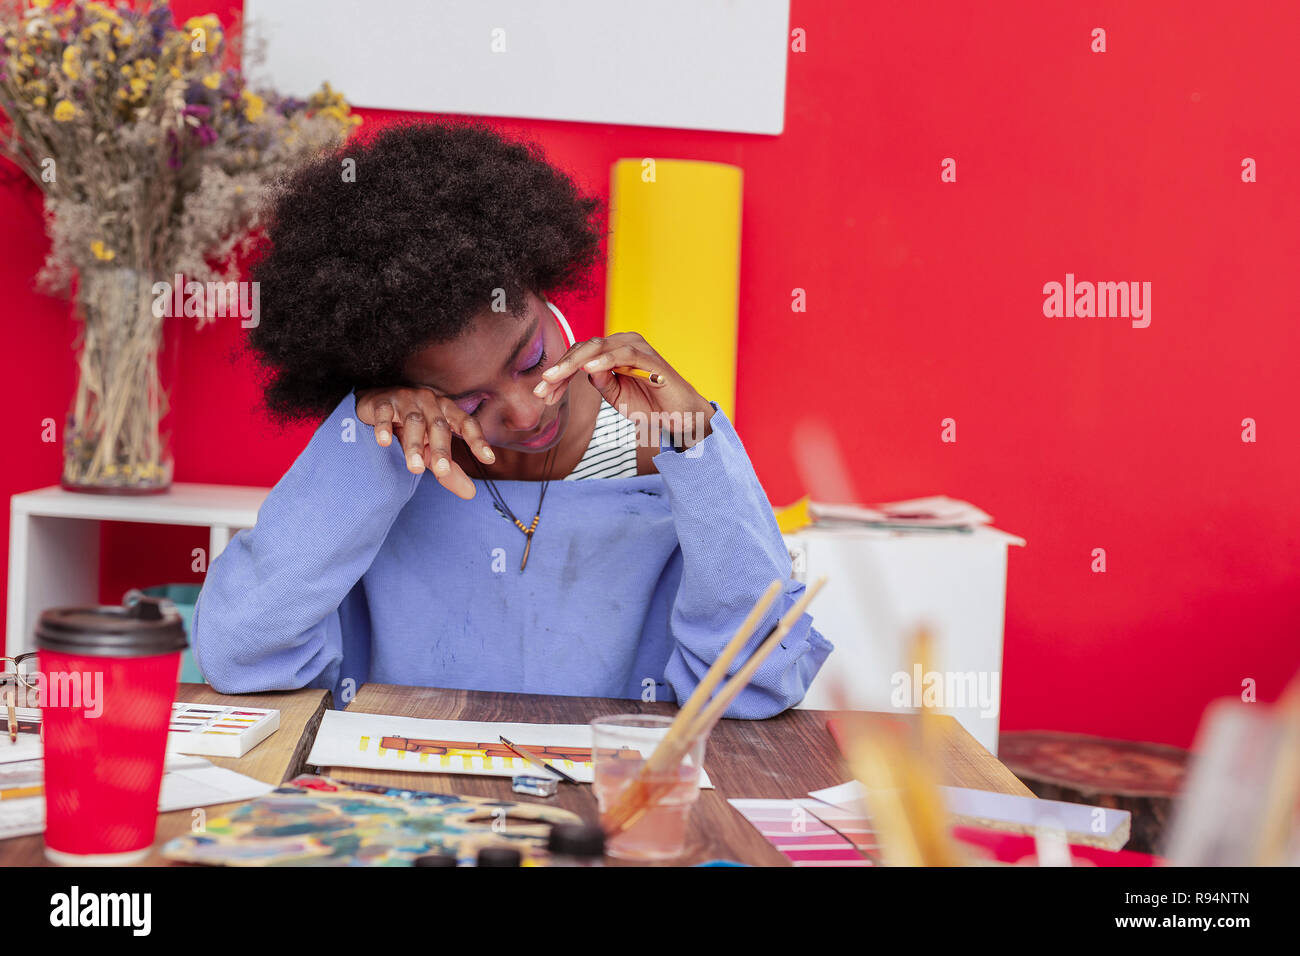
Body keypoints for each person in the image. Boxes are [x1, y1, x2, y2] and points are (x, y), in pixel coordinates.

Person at [192, 119, 832, 717]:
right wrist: (365, 441)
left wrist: (699, 449)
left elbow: (759, 682)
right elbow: (243, 653)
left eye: (531, 358)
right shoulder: (387, 465)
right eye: (470, 403)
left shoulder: (657, 450)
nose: (526, 412)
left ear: (547, 287)